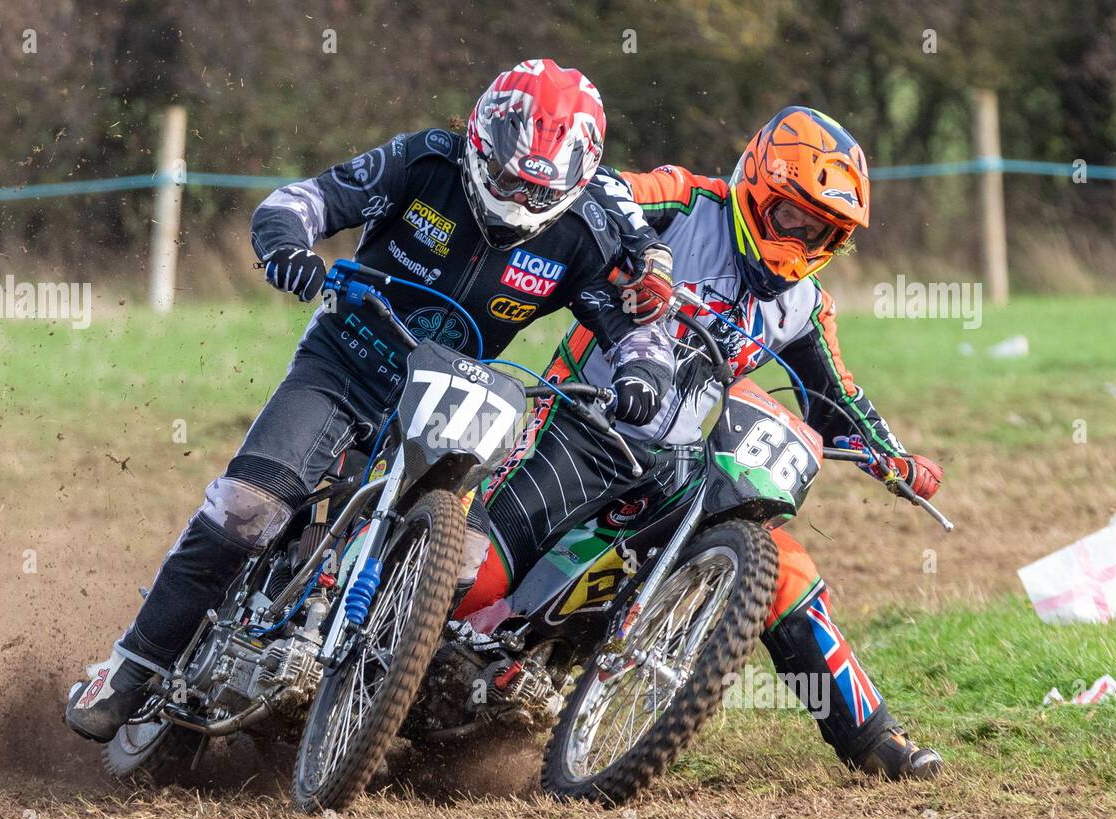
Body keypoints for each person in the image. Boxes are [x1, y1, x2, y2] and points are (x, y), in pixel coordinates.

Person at [65, 59, 677, 742]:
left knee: (454, 560)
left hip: (451, 395)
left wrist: (644, 375)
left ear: (572, 184)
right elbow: (299, 201)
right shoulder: (423, 161)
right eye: (505, 178)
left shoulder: (581, 238)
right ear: (480, 143)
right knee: (249, 509)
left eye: (537, 191)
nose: (516, 199)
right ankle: (128, 666)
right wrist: (287, 248)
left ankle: (376, 696)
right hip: (346, 358)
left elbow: (634, 327)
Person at [456, 107, 945, 780]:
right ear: (756, 186)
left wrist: (894, 459)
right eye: (792, 218)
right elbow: (599, 186)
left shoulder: (804, 306)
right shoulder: (688, 202)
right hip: (585, 422)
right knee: (475, 574)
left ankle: (875, 741)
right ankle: (366, 663)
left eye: (823, 231)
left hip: (683, 463)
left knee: (782, 565)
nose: (801, 242)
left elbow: (836, 401)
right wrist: (641, 263)